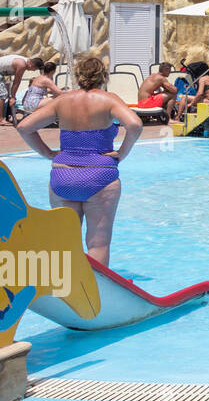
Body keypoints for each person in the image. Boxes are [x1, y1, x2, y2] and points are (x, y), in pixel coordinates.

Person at [15, 56, 142, 266]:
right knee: (97, 244)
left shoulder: (62, 101)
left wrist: (47, 153)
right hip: (100, 176)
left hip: (62, 175)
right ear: (103, 76)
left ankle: (65, 292)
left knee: (64, 243)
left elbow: (24, 127)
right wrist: (122, 153)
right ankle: (95, 293)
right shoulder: (108, 99)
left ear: (77, 75)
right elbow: (135, 125)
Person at [0, 54, 43, 125]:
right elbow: (16, 81)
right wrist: (13, 97)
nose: (33, 71)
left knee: (2, 94)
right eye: (34, 69)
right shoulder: (22, 65)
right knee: (2, 94)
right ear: (32, 65)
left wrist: (12, 96)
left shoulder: (24, 61)